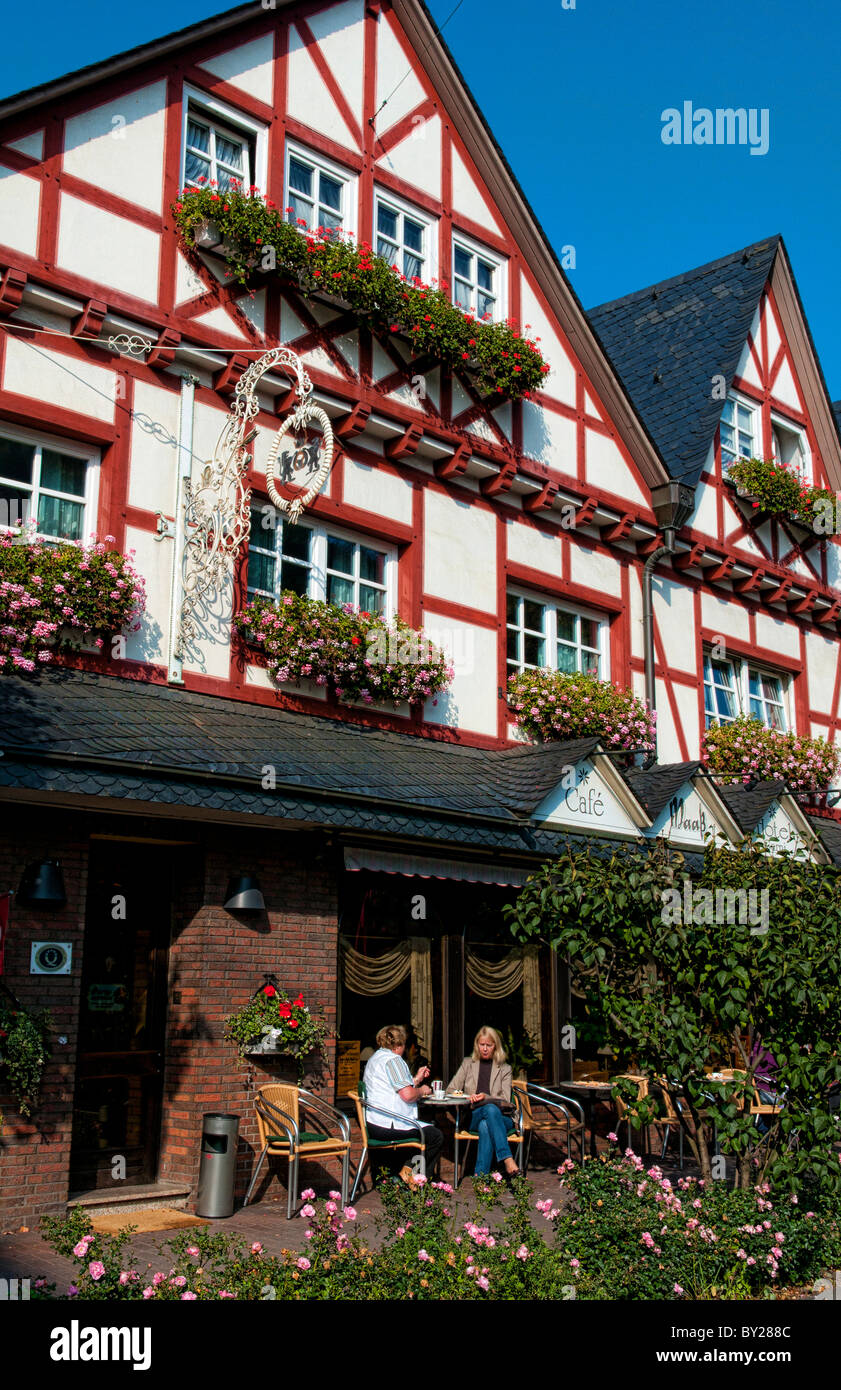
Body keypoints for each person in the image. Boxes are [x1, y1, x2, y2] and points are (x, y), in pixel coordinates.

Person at [363, 1023, 444, 1181]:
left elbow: (391, 1087)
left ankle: (406, 1170)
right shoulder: (394, 1060)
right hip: (389, 1124)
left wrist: (416, 1080)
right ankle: (414, 1178)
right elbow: (407, 1095)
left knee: (426, 1131)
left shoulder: (375, 1058)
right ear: (399, 1045)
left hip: (374, 1122)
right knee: (435, 1135)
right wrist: (422, 1090)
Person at [447, 1025, 519, 1179]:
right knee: (488, 1112)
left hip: (502, 1117)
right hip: (473, 1114)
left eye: (489, 1045)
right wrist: (467, 1097)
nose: (485, 1049)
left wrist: (486, 1097)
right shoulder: (468, 1064)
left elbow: (506, 1099)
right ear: (477, 1045)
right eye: (482, 1045)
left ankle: (480, 1179)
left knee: (487, 1121)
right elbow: (450, 1090)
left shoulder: (504, 1068)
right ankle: (507, 1159)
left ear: (495, 1047)